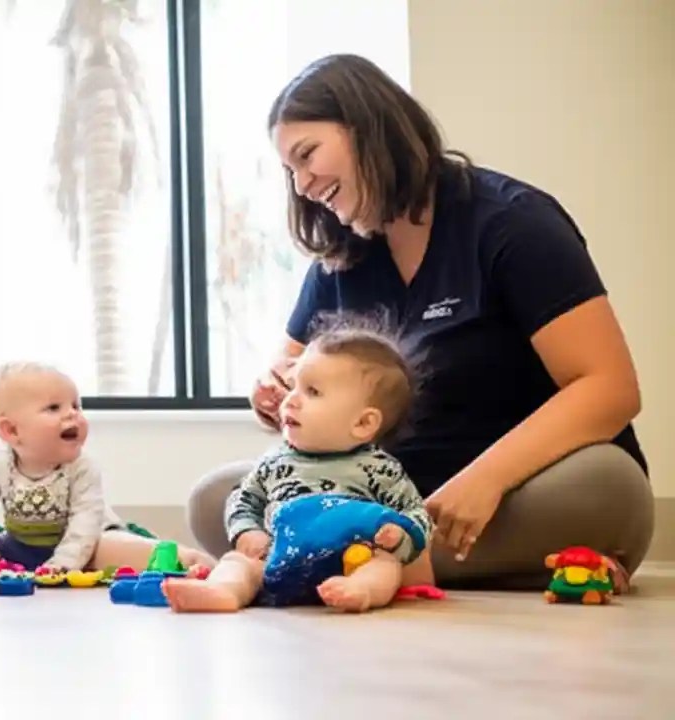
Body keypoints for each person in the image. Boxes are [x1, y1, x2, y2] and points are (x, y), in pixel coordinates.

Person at [186, 53, 654, 591]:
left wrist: (487, 480)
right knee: (213, 500)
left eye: (307, 155)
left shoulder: (512, 223)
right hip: (382, 501)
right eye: (290, 171)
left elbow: (610, 389)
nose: (302, 185)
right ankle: (419, 558)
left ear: (367, 127)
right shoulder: (340, 259)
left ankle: (342, 559)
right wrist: (274, 393)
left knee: (606, 485)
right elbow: (294, 375)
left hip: (517, 490)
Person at [165, 323, 431, 613]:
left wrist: (399, 535)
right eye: (294, 387)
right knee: (238, 563)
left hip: (354, 559)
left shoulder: (381, 469)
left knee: (385, 565)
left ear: (363, 423)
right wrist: (247, 532)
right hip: (278, 559)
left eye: (313, 391)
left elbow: (417, 513)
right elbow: (243, 500)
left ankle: (361, 591)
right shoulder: (273, 463)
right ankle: (223, 591)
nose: (291, 399)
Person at [0, 362, 215, 574]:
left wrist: (62, 565)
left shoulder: (81, 468)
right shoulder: (0, 466)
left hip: (92, 541)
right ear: (11, 430)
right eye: (53, 408)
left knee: (117, 550)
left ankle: (198, 564)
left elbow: (85, 522)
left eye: (75, 405)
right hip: (23, 546)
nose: (72, 414)